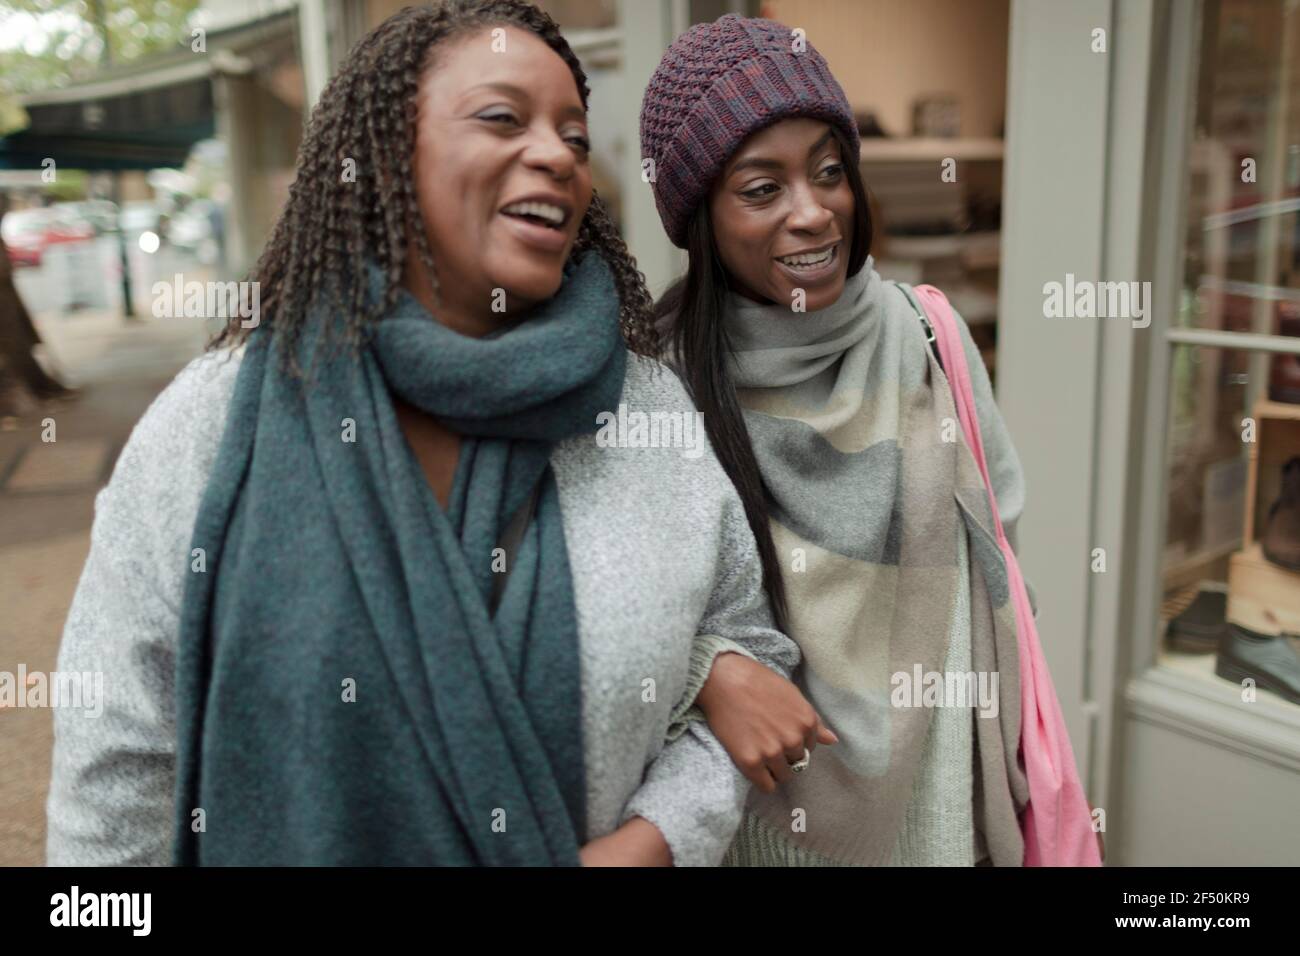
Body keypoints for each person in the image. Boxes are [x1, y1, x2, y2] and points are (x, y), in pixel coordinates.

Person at [45, 0, 804, 867]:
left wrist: (658, 839)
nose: (557, 154)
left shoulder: (649, 414)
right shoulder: (211, 424)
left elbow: (747, 646)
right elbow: (116, 764)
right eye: (501, 118)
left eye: (574, 137)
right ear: (378, 159)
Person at [640, 14, 1069, 866]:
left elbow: (1001, 582)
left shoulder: (932, 337)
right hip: (759, 827)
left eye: (830, 172)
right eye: (762, 189)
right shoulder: (656, 386)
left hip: (944, 812)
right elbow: (634, 624)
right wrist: (710, 670)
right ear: (701, 219)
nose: (814, 213)